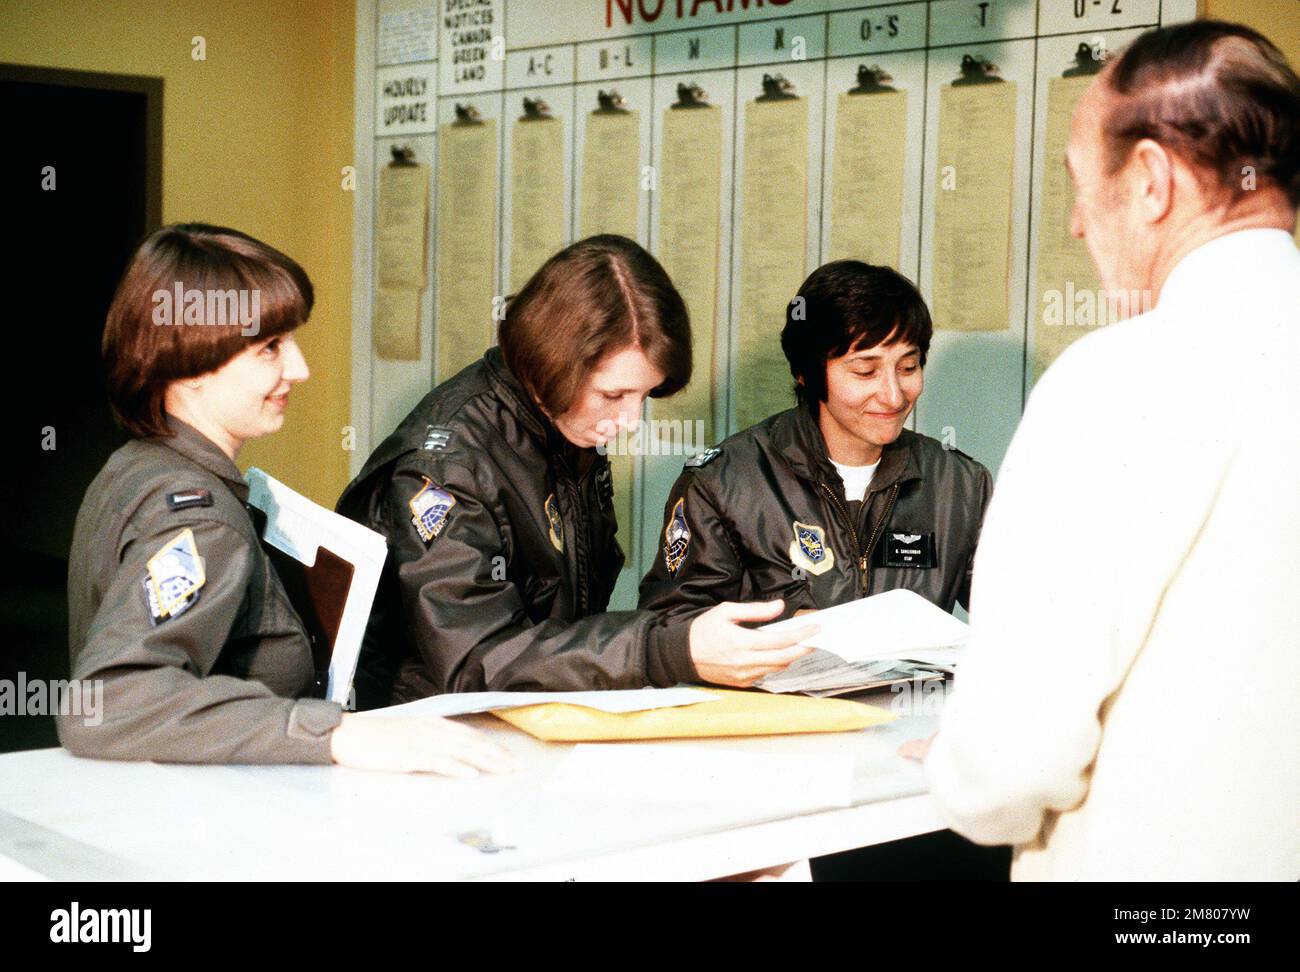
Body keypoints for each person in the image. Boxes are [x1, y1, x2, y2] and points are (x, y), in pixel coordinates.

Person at [919, 21, 1300, 879]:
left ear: (1152, 182)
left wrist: (957, 768)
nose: (1075, 226)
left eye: (1081, 184)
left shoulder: (1119, 380)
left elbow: (1009, 763)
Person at [59, 223, 514, 777]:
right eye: (270, 348)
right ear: (189, 366)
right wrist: (333, 733)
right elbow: (110, 701)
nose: (299, 370)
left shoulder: (135, 467)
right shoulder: (201, 520)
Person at [337, 235, 815, 706]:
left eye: (643, 395)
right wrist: (663, 650)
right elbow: (476, 660)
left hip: (524, 716)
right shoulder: (447, 468)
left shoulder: (564, 425)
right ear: (553, 362)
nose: (630, 420)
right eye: (613, 395)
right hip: (426, 730)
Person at [639, 261, 992, 622]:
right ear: (807, 373)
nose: (893, 396)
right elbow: (671, 626)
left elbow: (1014, 615)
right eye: (865, 371)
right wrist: (787, 629)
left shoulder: (961, 484)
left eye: (908, 368)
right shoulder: (723, 482)